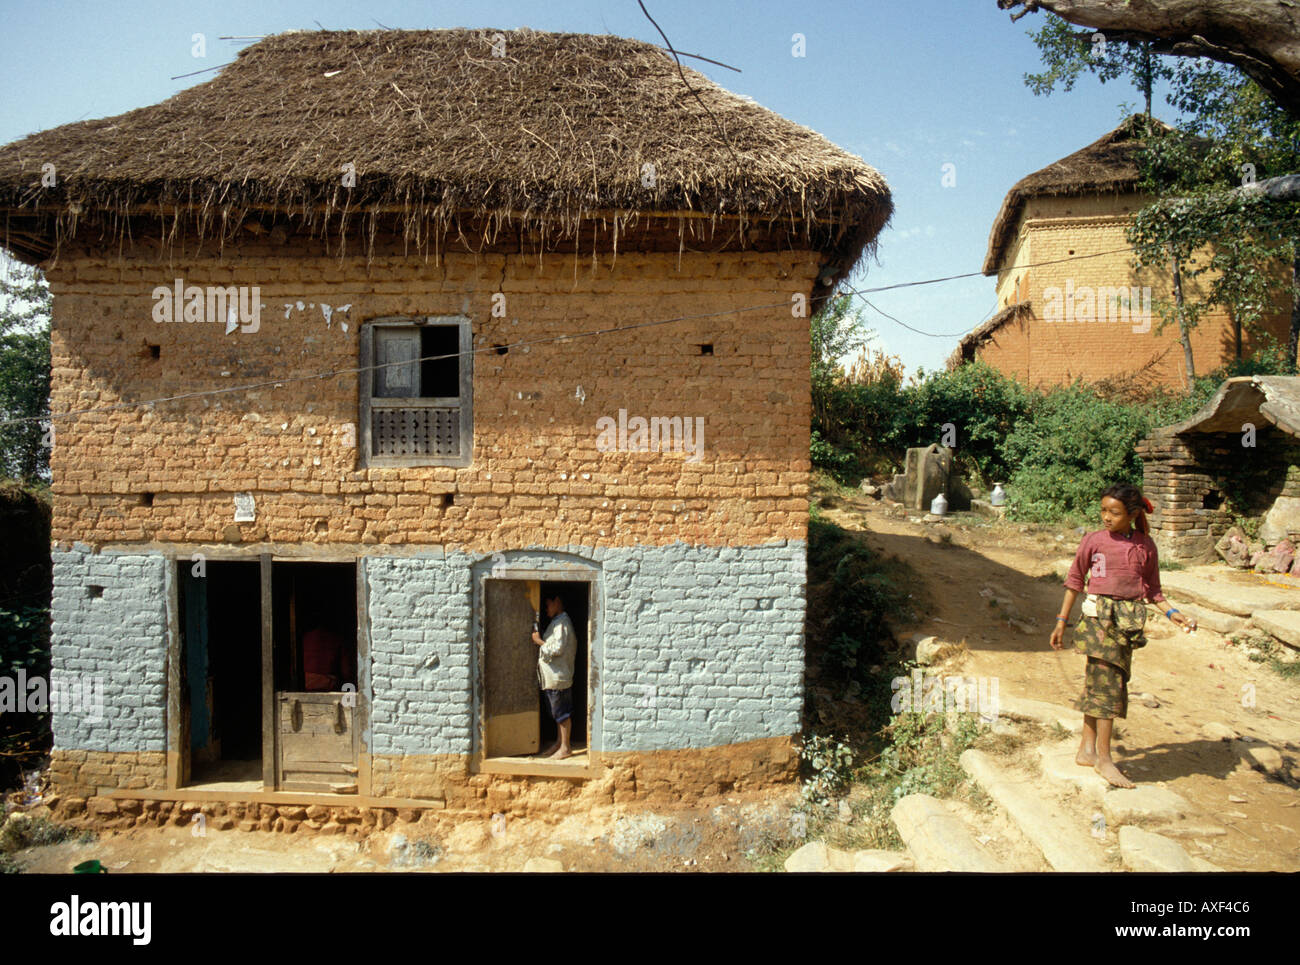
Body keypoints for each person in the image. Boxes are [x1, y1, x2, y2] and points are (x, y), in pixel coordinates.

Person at [1049, 483, 1196, 788]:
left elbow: (1153, 590)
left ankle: (1087, 750)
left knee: (1102, 685)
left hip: (1126, 626)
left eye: (1113, 512)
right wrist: (1061, 621)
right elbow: (1075, 580)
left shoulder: (1146, 547)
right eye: (1103, 510)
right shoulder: (1093, 541)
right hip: (1097, 623)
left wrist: (1172, 613)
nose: (1106, 517)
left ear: (1132, 514)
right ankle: (1104, 759)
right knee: (1107, 687)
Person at [531, 594, 576, 759]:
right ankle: (559, 743)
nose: (546, 609)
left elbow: (557, 649)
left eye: (548, 604)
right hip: (553, 676)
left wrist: (539, 642)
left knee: (562, 713)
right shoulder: (557, 623)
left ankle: (566, 747)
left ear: (557, 602)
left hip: (559, 676)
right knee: (557, 712)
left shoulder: (562, 624)